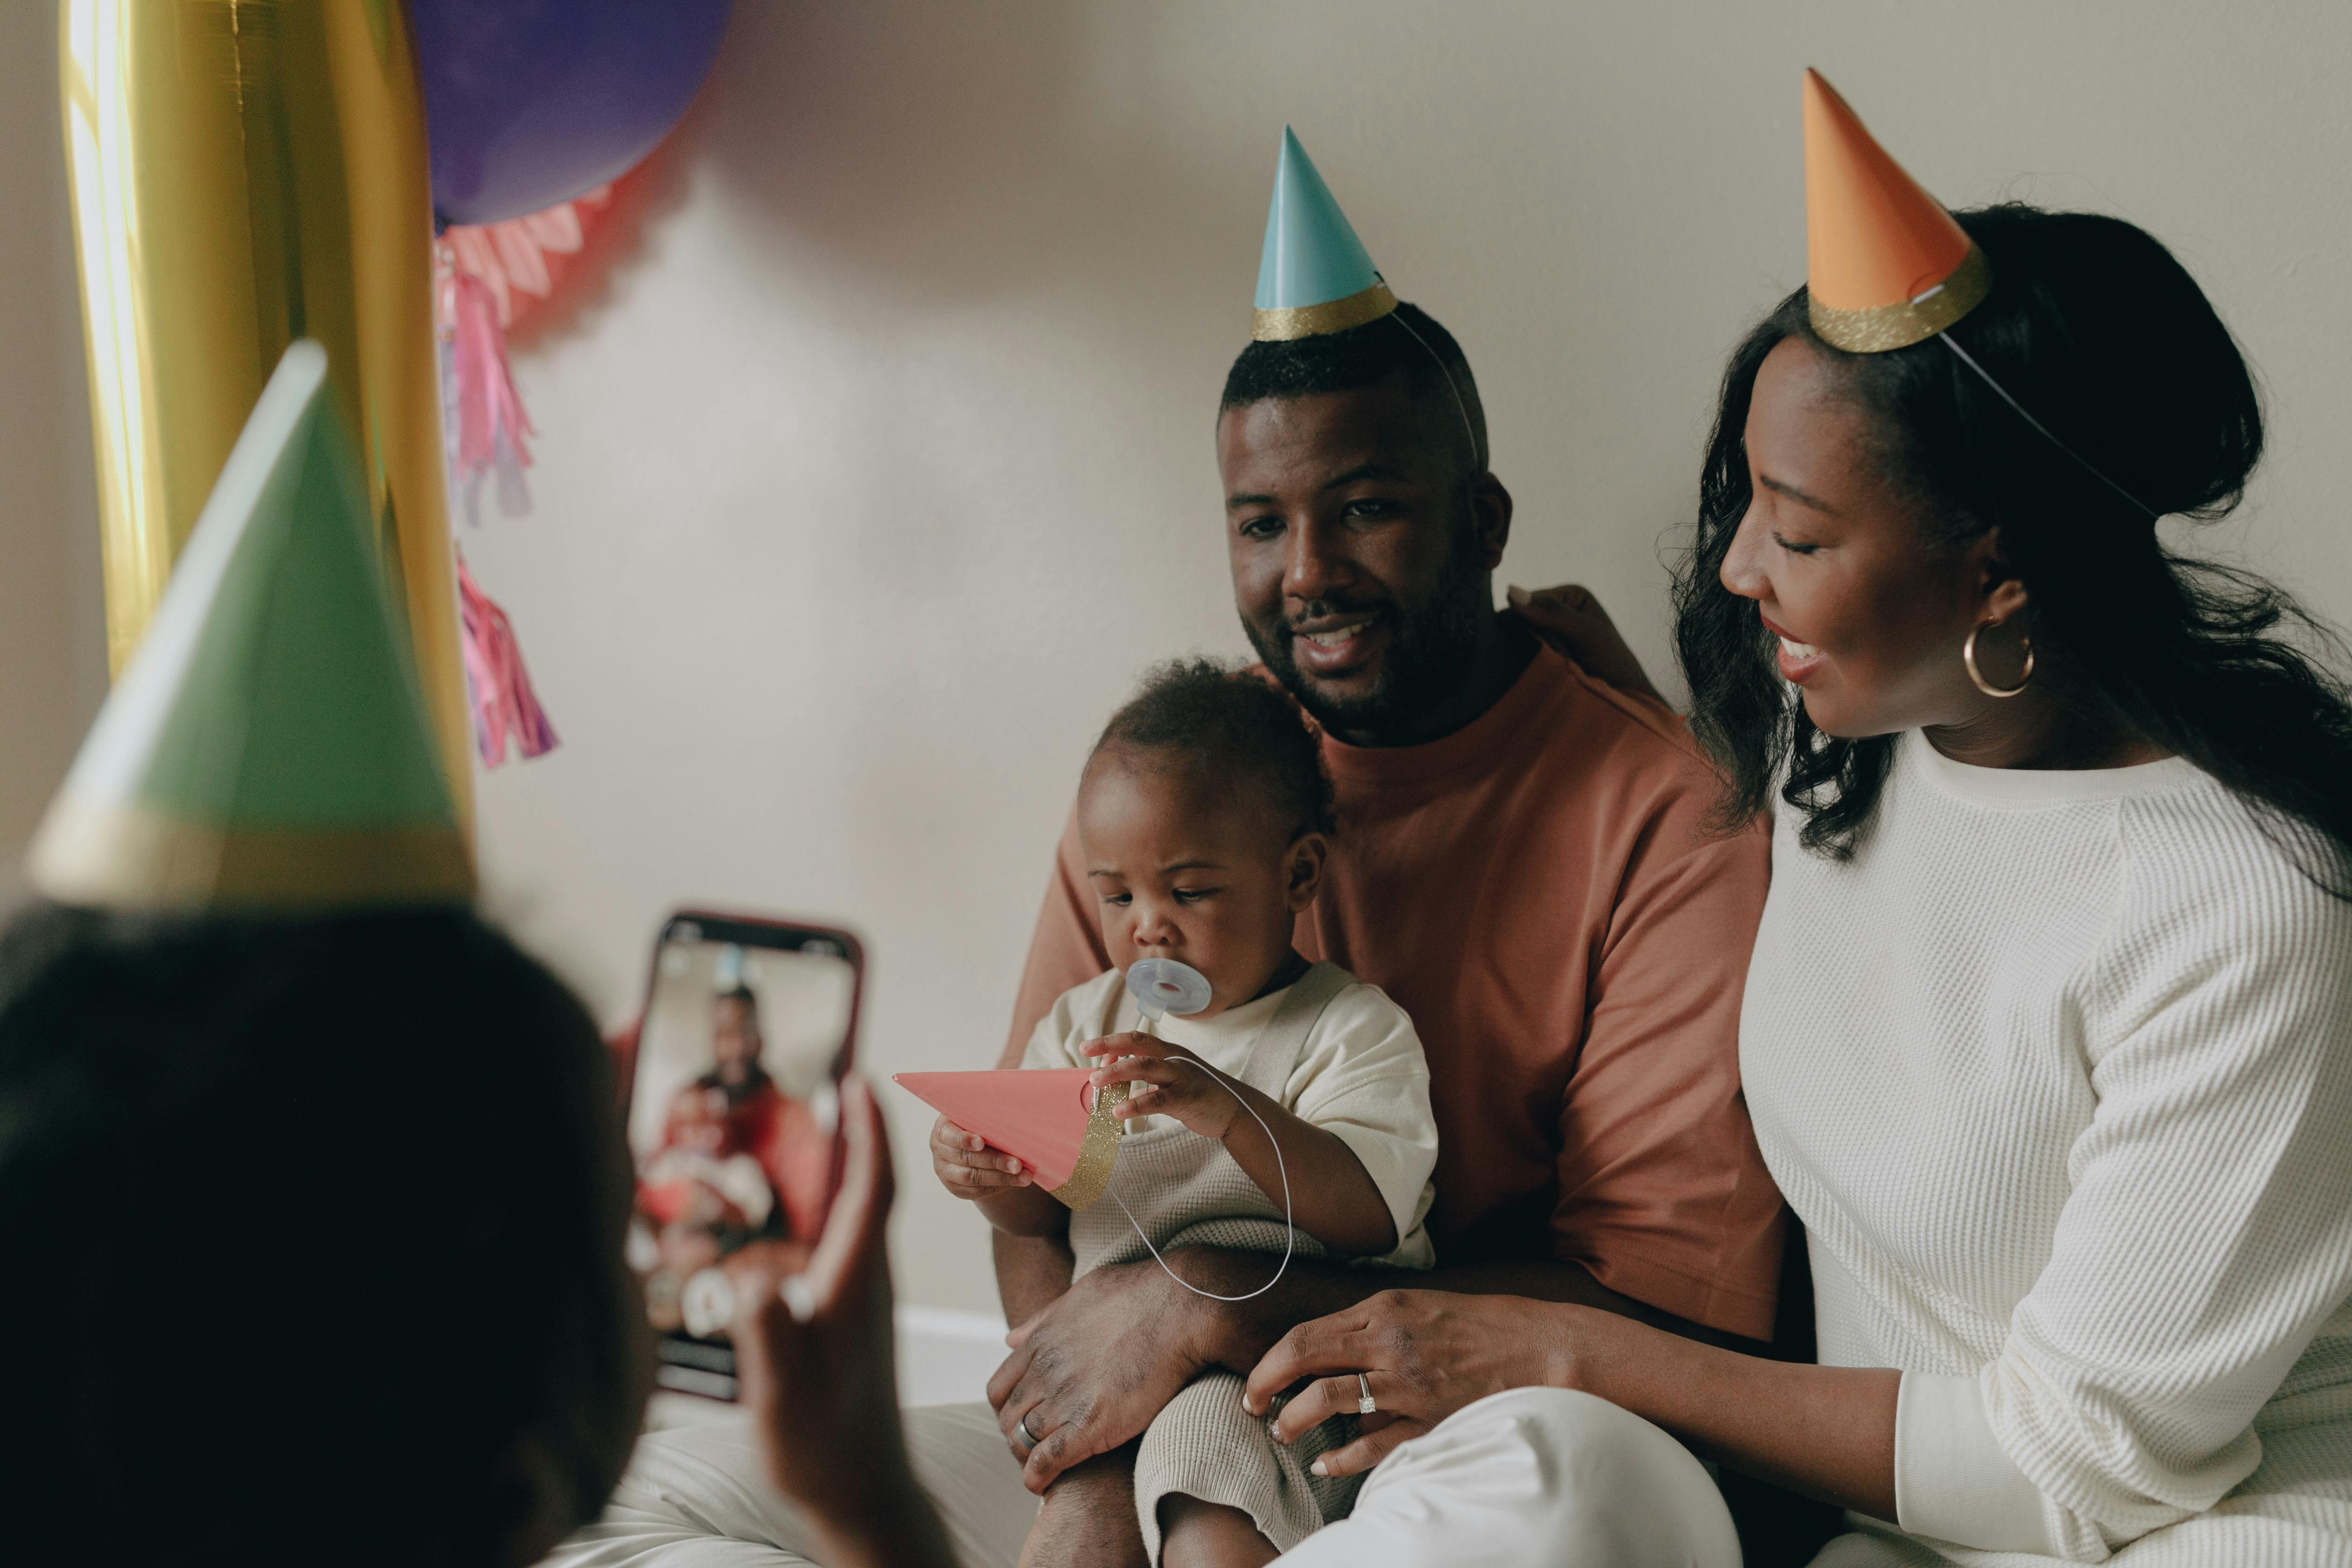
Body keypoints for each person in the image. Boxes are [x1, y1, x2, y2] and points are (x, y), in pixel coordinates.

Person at [558, 126, 1782, 1568]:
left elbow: (1662, 1315)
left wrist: (1217, 1294)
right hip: (1162, 1415)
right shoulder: (1186, 788)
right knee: (638, 1500)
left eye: (1368, 509)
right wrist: (1095, 1451)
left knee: (1565, 1502)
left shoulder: (1664, 815)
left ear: (1484, 520)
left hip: (1481, 1434)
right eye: (1262, 523)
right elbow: (1042, 1186)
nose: (1309, 571)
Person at [1239, 70, 2352, 1567]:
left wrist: (1567, 1348)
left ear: (2000, 576)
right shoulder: (1853, 736)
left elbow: (2083, 1472)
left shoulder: (2248, 910)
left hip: (2193, 1522)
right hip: (1883, 1514)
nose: (1743, 567)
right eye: (1746, 503)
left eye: (1803, 530)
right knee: (1531, 1481)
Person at [938, 658, 1439, 1565]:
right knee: (1069, 1533)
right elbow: (1041, 1216)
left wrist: (1234, 1111)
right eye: (1118, 895)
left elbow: (1372, 1212)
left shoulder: (1348, 1027)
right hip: (1116, 1361)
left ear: (1298, 874)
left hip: (1272, 1374)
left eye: (1189, 891)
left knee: (1205, 1503)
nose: (1148, 928)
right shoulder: (1086, 1024)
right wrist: (992, 1172)